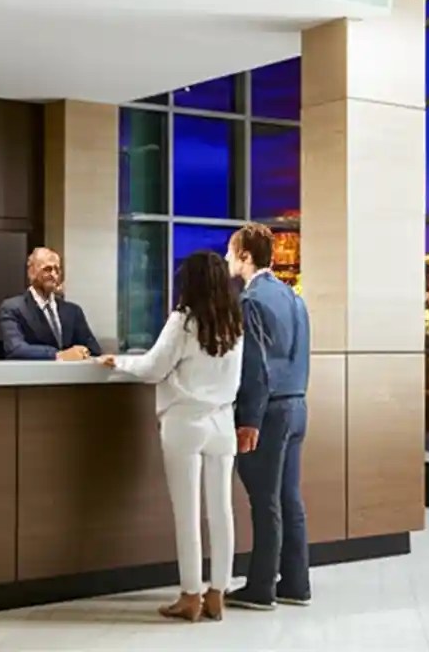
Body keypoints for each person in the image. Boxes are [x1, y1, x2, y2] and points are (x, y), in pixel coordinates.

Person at [98, 251, 243, 623]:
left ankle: (190, 596)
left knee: (188, 513)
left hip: (185, 423)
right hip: (223, 423)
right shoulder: (234, 323)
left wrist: (119, 362)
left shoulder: (185, 321)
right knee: (222, 511)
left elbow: (152, 367)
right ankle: (217, 594)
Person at [224, 223, 311, 610]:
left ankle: (260, 587)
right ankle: (296, 582)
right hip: (297, 406)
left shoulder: (251, 301)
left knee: (265, 500)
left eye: (231, 251)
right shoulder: (294, 298)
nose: (227, 258)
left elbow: (256, 368)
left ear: (245, 256)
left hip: (269, 411)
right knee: (289, 498)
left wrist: (249, 421)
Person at [0, 247, 101, 360]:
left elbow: (93, 349)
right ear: (31, 272)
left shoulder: (73, 311)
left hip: (70, 376)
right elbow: (15, 349)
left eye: (57, 270)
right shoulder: (13, 308)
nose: (53, 274)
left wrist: (92, 355)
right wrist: (58, 355)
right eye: (47, 269)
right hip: (34, 375)